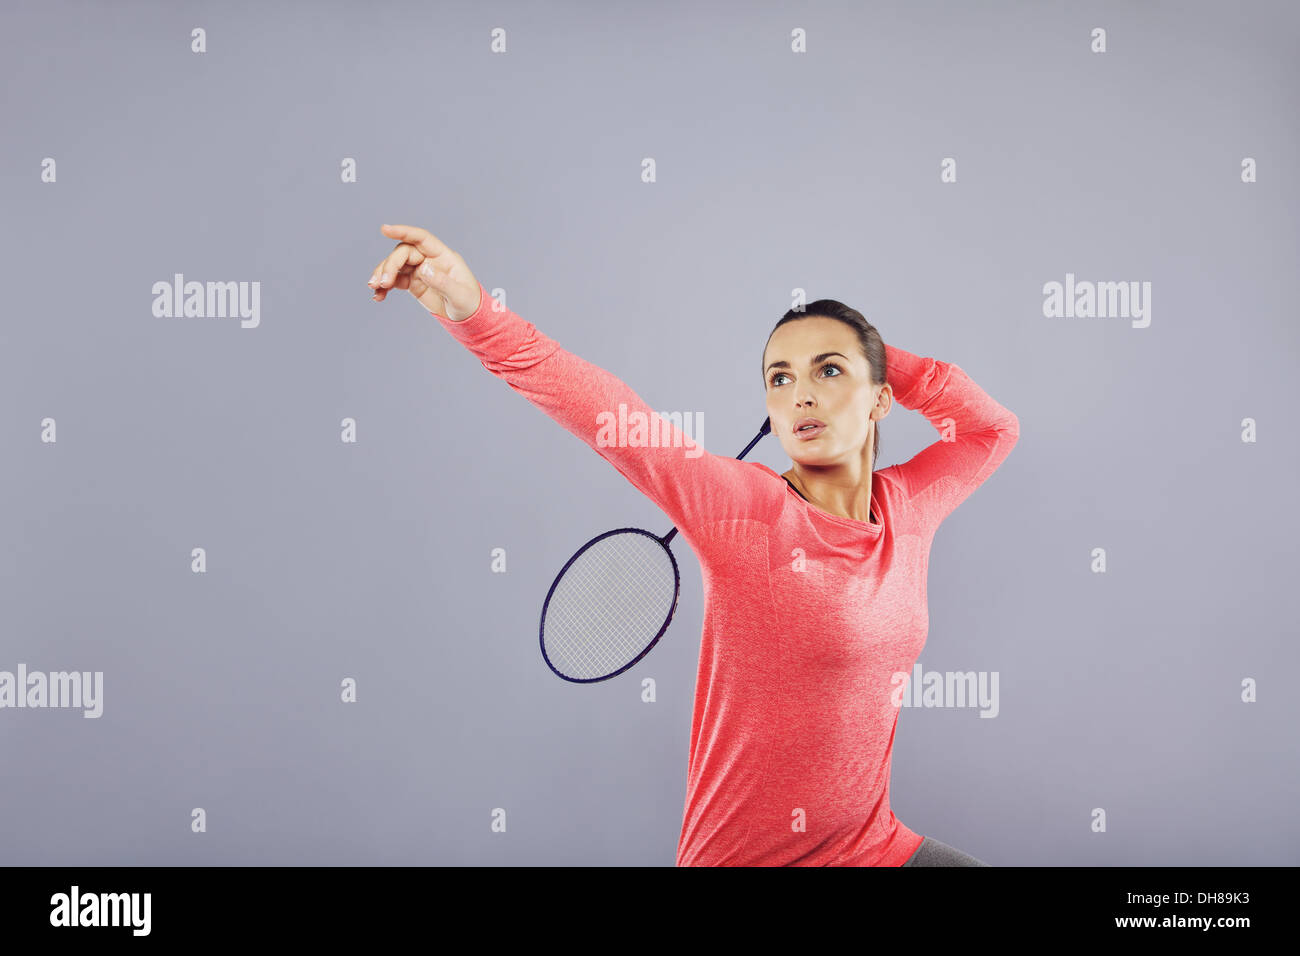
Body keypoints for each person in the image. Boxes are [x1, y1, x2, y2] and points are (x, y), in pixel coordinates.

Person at [368, 224, 1018, 866]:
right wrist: (474, 311)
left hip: (871, 848)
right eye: (780, 378)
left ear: (882, 400)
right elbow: (606, 412)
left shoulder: (908, 505)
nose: (803, 395)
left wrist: (875, 351)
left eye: (828, 370)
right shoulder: (747, 509)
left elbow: (990, 430)